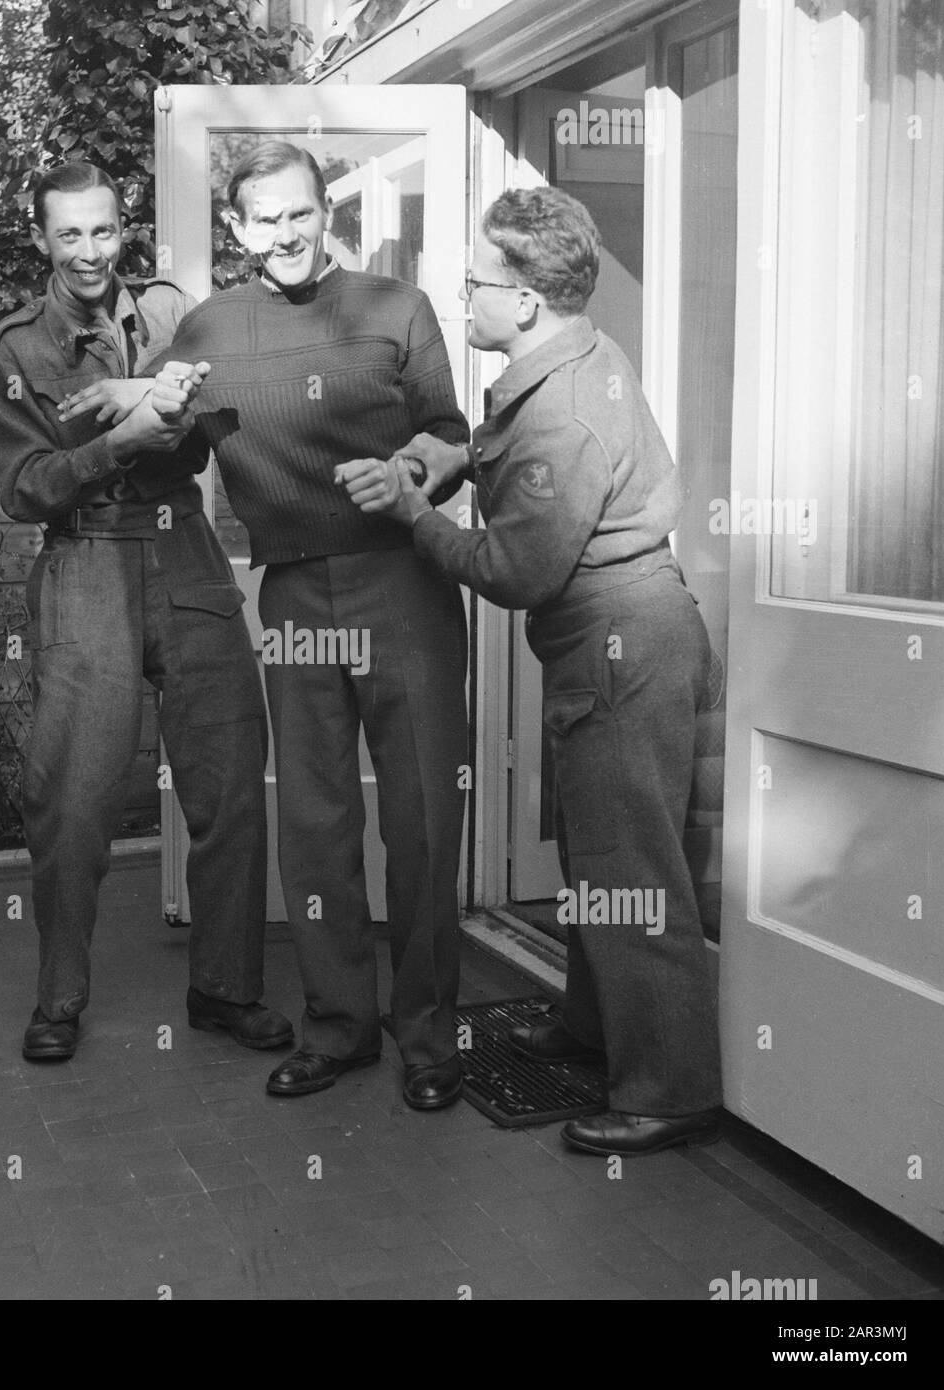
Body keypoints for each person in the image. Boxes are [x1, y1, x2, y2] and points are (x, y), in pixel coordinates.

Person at [340, 185, 722, 1154]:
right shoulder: (572, 357)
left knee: (632, 872)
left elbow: (513, 572)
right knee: (602, 857)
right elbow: (507, 448)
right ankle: (595, 1030)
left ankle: (668, 1090)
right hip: (627, 635)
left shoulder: (562, 417)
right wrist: (452, 464)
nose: (463, 296)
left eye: (475, 281)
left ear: (525, 300)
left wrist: (413, 515)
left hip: (616, 644)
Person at [121, 142, 470, 1108]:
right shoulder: (208, 327)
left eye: (299, 214)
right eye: (262, 218)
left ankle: (431, 1036)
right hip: (292, 594)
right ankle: (341, 1026)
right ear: (236, 228)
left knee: (423, 817)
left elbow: (453, 433)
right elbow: (155, 456)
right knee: (316, 819)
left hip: (403, 582)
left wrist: (411, 473)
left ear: (328, 214)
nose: (283, 233)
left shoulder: (396, 308)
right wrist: (150, 413)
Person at [0, 161, 291, 1062]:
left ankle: (226, 989)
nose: (88, 252)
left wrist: (178, 406)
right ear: (42, 239)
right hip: (85, 558)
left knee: (231, 781)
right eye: (68, 234)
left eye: (104, 232)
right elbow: (23, 489)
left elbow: (226, 422)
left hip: (186, 550)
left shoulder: (172, 313)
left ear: (126, 232)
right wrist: (116, 443)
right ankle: (59, 998)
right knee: (73, 799)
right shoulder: (17, 348)